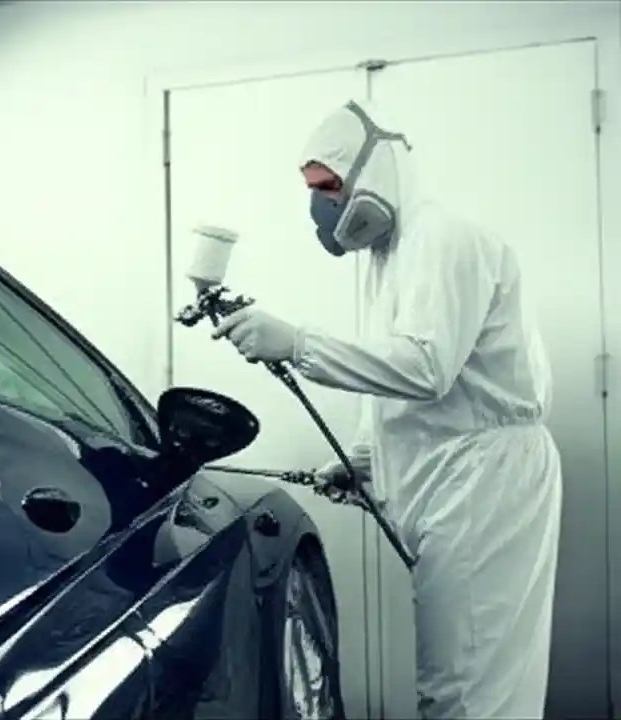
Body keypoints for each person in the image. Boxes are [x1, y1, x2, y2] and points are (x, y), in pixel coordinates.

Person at [210, 99, 563, 719]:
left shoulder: (444, 238)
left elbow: (427, 367)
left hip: (483, 482)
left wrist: (295, 342)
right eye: (313, 191)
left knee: (469, 685)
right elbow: (403, 379)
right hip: (452, 476)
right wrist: (362, 459)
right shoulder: (389, 256)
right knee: (459, 674)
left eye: (328, 187)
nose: (320, 204)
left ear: (372, 176)